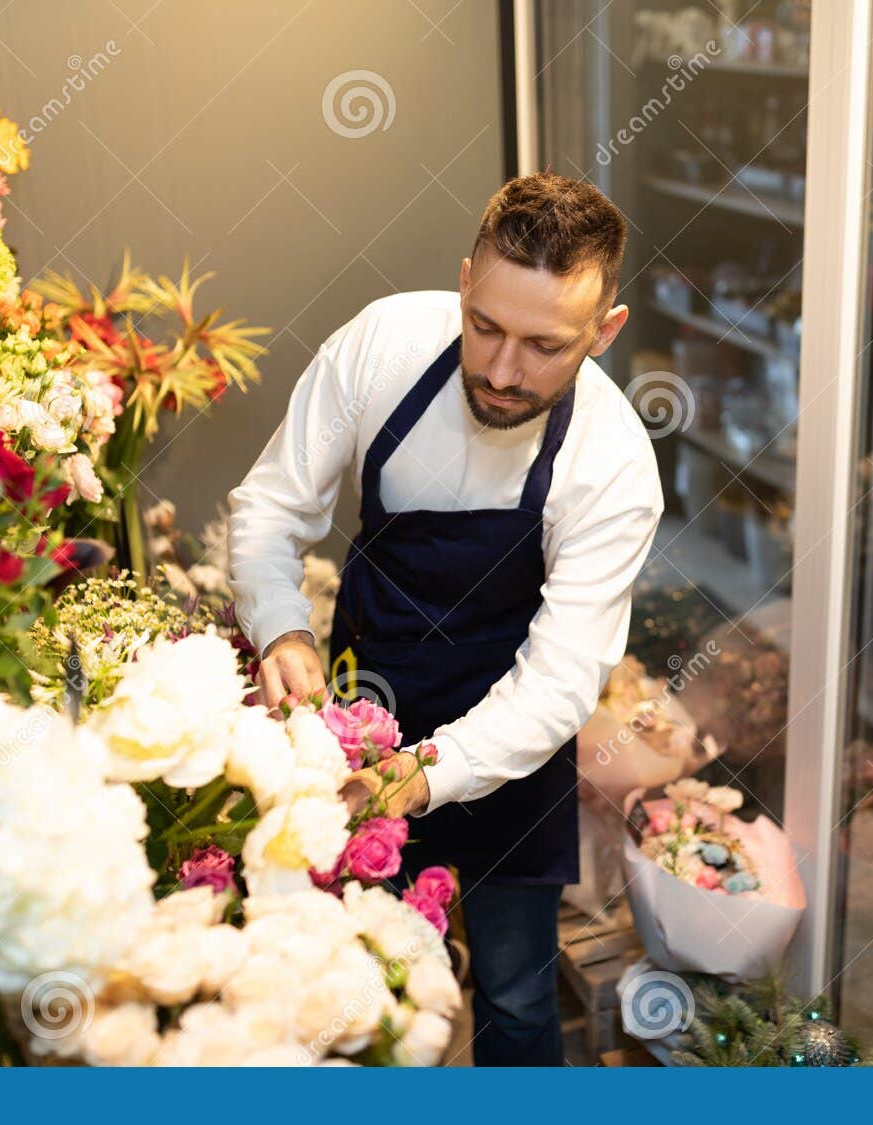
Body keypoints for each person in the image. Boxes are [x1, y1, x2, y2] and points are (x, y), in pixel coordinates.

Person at [227, 172, 664, 1065]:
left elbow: (558, 683)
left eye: (544, 346)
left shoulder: (614, 464)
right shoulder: (381, 346)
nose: (502, 371)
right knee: (359, 981)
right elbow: (271, 507)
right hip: (368, 696)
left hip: (515, 733)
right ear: (465, 283)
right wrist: (282, 628)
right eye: (486, 326)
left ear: (605, 331)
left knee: (515, 990)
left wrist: (426, 774)